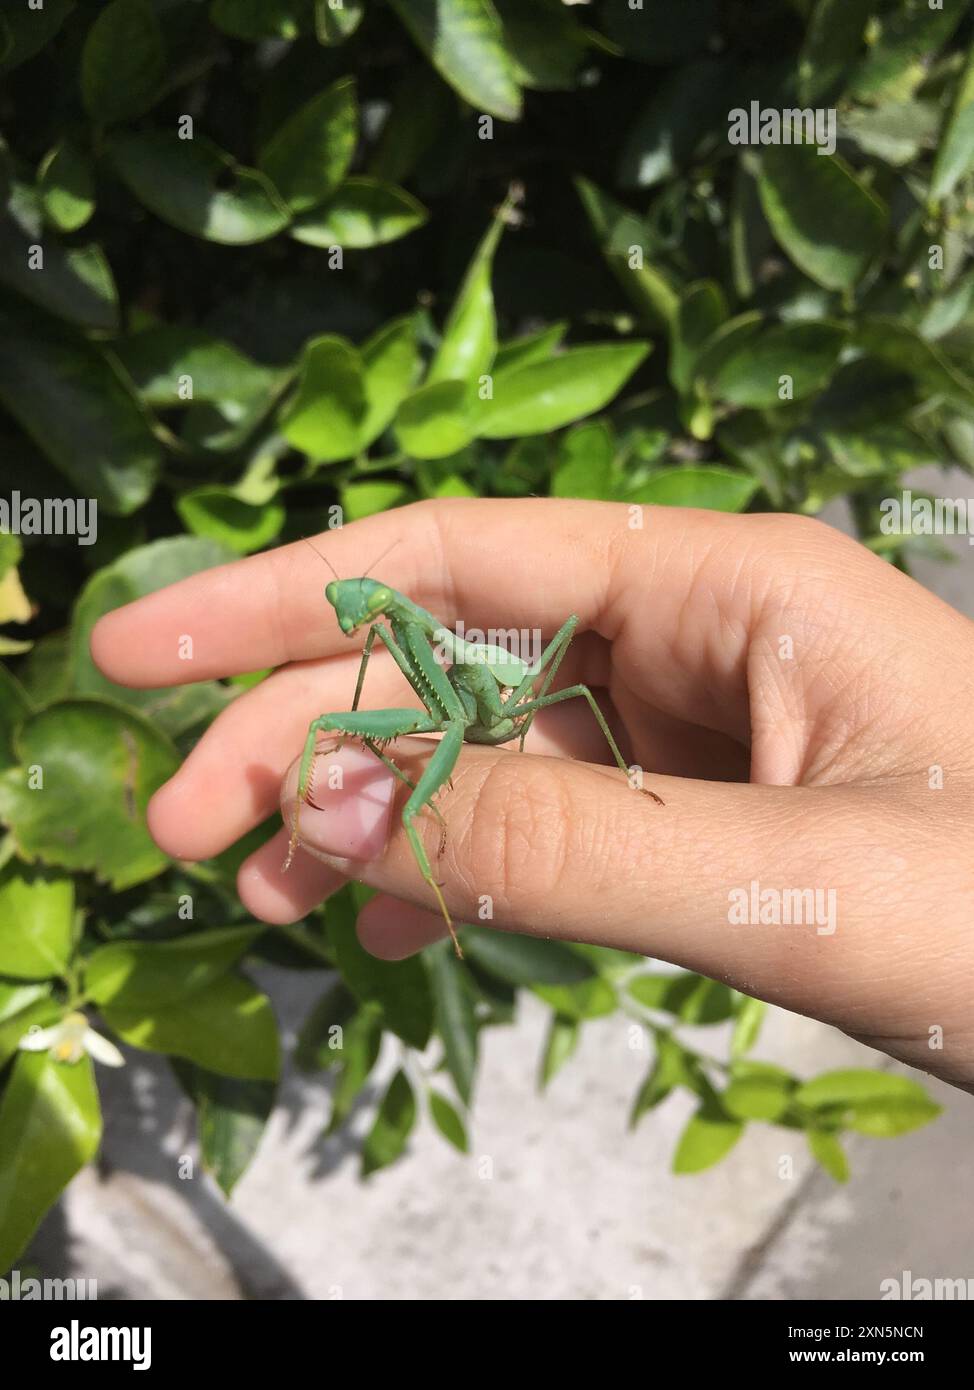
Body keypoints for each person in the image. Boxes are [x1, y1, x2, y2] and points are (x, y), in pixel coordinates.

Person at [90, 499, 974, 1093]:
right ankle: (355, 835)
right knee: (332, 731)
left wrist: (620, 784)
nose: (358, 619)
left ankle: (450, 863)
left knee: (570, 679)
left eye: (360, 603)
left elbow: (551, 692)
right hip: (465, 703)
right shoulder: (400, 642)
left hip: (513, 699)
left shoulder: (452, 650)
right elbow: (389, 670)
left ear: (381, 600)